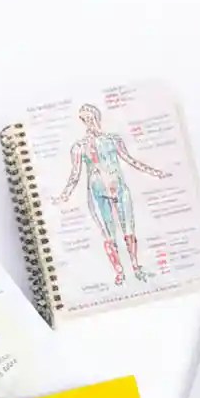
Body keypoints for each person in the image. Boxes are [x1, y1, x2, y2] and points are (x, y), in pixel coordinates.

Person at [55, 104, 171, 285]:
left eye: (91, 117)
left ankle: (135, 267)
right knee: (108, 236)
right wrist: (65, 195)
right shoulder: (79, 147)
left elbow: (130, 160)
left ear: (97, 117)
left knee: (129, 231)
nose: (89, 121)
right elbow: (75, 173)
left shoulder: (113, 140)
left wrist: (155, 172)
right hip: (97, 194)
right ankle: (119, 272)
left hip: (119, 189)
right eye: (85, 119)